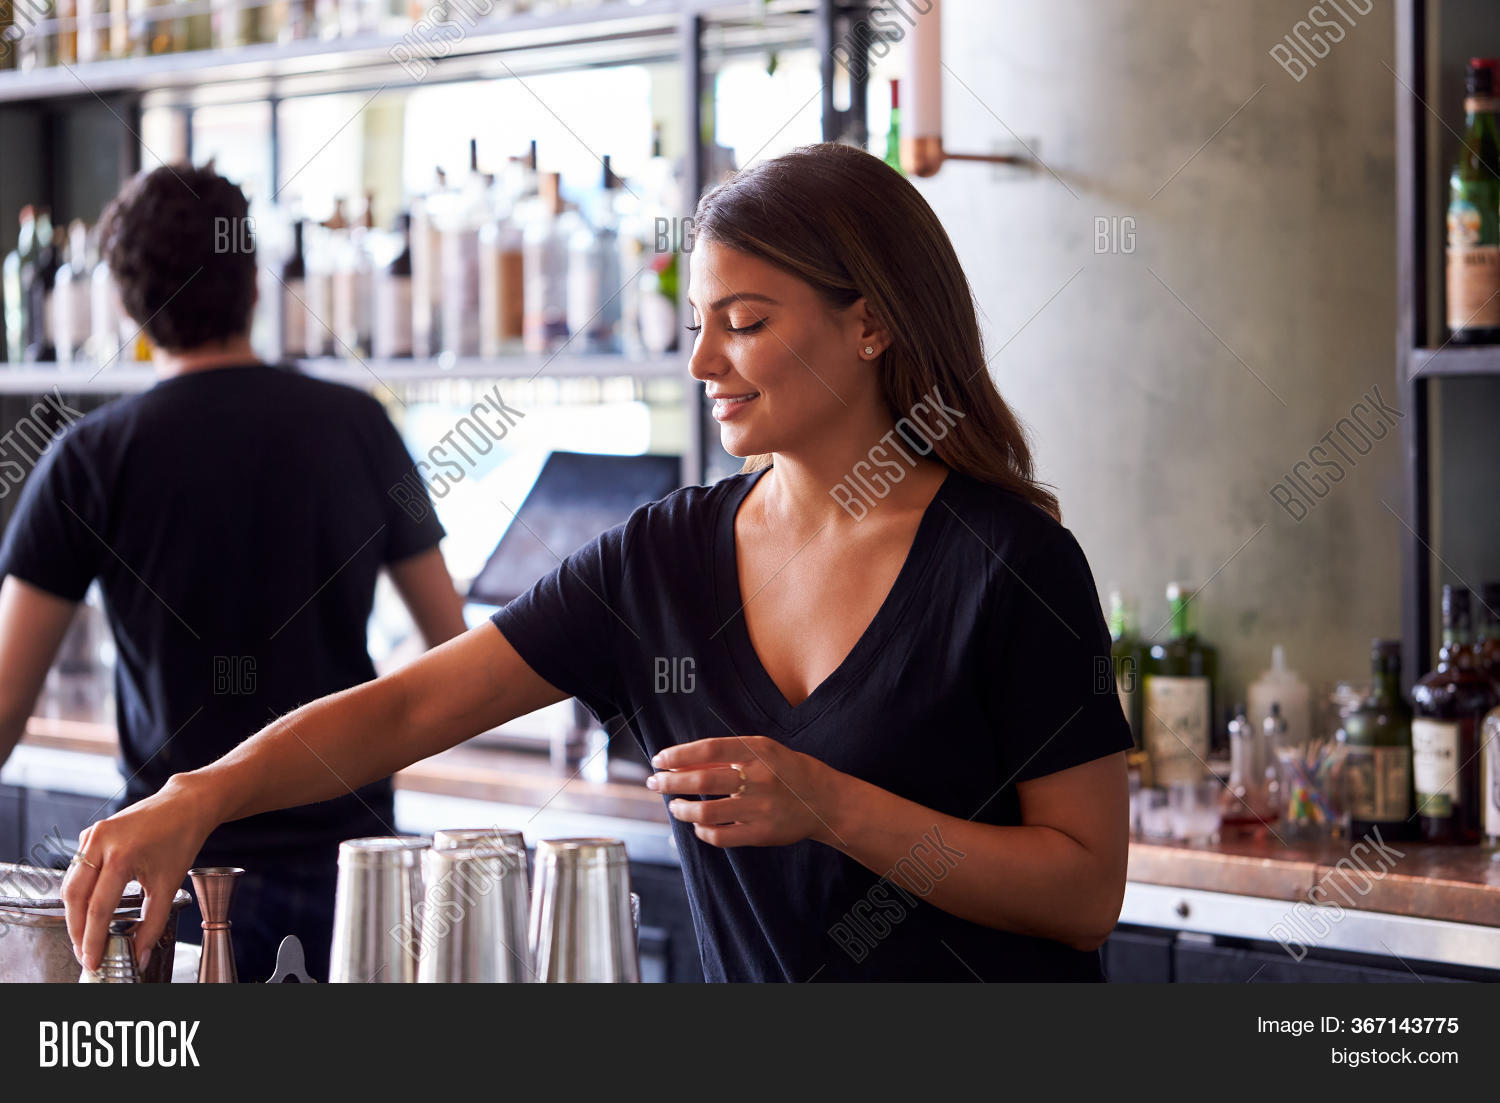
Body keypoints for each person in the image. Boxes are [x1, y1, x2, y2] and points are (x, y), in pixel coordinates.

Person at [65, 144, 1131, 982]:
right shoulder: (661, 559)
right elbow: (397, 713)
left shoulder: (1012, 562)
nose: (704, 360)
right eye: (699, 321)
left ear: (872, 326)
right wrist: (196, 795)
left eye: (746, 323)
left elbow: (1084, 889)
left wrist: (832, 804)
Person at [1, 165, 467, 981]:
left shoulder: (90, 457)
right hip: (350, 874)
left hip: (170, 879)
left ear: (126, 302)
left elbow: (5, 702)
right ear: (254, 280)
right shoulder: (356, 424)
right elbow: (450, 646)